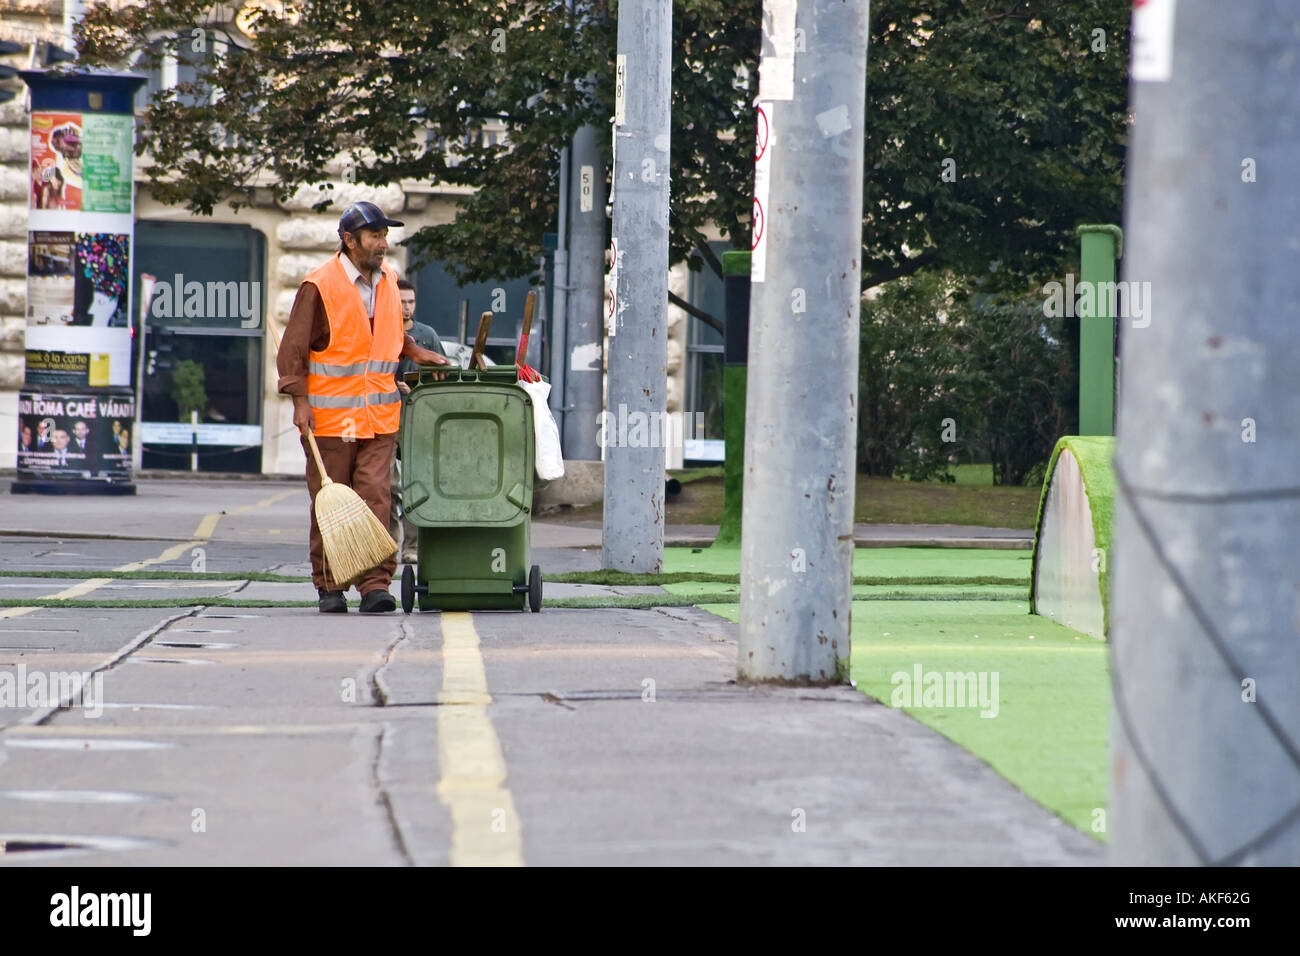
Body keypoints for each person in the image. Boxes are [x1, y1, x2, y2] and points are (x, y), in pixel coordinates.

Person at [277, 201, 449, 614]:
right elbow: (292, 351)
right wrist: (299, 403)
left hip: (380, 418)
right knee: (332, 505)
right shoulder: (319, 285)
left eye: (385, 236)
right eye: (375, 236)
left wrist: (415, 351)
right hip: (331, 421)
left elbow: (386, 335)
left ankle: (375, 586)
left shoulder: (388, 280)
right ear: (349, 240)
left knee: (377, 500)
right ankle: (331, 586)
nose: (383, 244)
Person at [390, 278, 446, 564]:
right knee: (387, 486)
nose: (407, 307)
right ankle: (386, 546)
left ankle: (411, 547)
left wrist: (417, 392)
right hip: (386, 418)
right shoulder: (383, 332)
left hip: (419, 420)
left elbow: (443, 379)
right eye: (402, 302)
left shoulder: (427, 335)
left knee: (416, 485)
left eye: (411, 302)